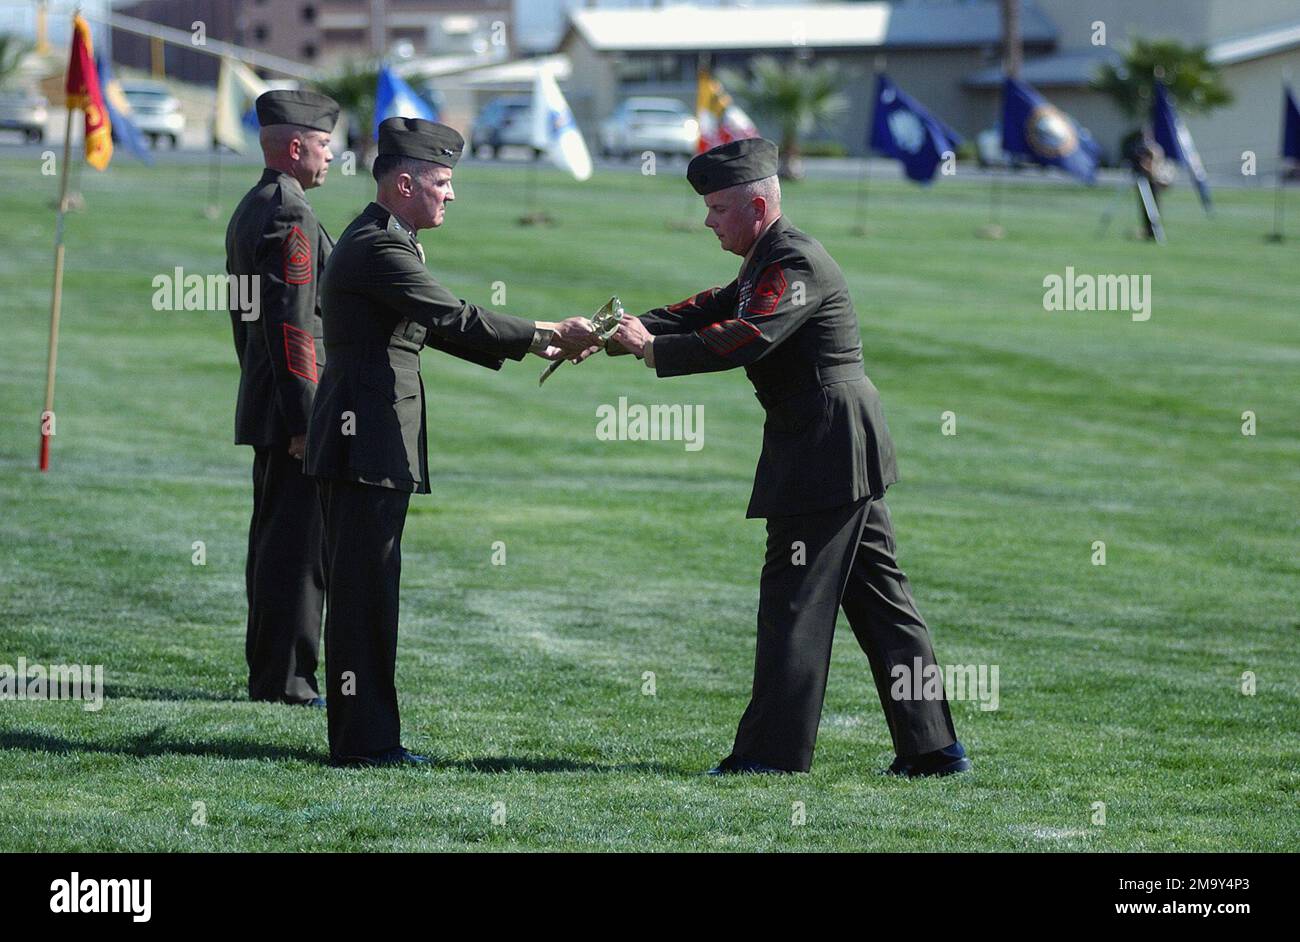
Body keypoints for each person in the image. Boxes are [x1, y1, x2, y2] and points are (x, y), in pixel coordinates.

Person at [605, 138, 970, 776]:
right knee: (881, 600)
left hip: (824, 449)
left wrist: (649, 350)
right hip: (836, 445)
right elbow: (710, 307)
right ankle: (934, 749)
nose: (708, 221)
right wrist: (621, 327)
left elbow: (749, 335)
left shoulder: (793, 260)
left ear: (757, 204)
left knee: (794, 603)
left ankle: (772, 756)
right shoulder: (766, 257)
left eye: (718, 209)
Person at [305, 117, 597, 766]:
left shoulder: (386, 240)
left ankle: (368, 737)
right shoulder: (381, 248)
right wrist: (546, 332)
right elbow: (452, 315)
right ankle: (365, 745)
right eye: (443, 181)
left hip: (371, 441)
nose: (452, 193)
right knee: (364, 598)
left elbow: (436, 326)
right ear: (404, 184)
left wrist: (541, 339)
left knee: (369, 593)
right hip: (366, 444)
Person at [226, 89, 338, 707]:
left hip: (265, 399)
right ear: (295, 147)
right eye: (323, 144)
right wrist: (303, 418)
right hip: (291, 410)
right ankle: (287, 682)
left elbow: (251, 318)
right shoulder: (291, 213)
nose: (331, 155)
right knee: (296, 552)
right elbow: (293, 324)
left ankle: (272, 673)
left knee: (274, 545)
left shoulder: (254, 206)